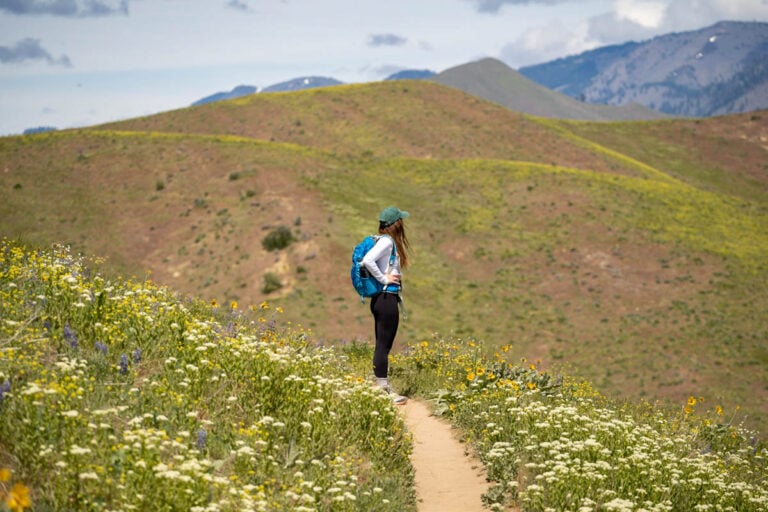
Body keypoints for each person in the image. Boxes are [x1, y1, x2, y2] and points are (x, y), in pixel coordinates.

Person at [362, 206, 411, 405]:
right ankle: (383, 390)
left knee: (383, 343)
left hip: (382, 299)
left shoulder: (384, 241)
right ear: (396, 224)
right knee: (384, 345)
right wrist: (384, 279)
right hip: (386, 298)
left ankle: (381, 385)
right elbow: (367, 261)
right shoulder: (387, 242)